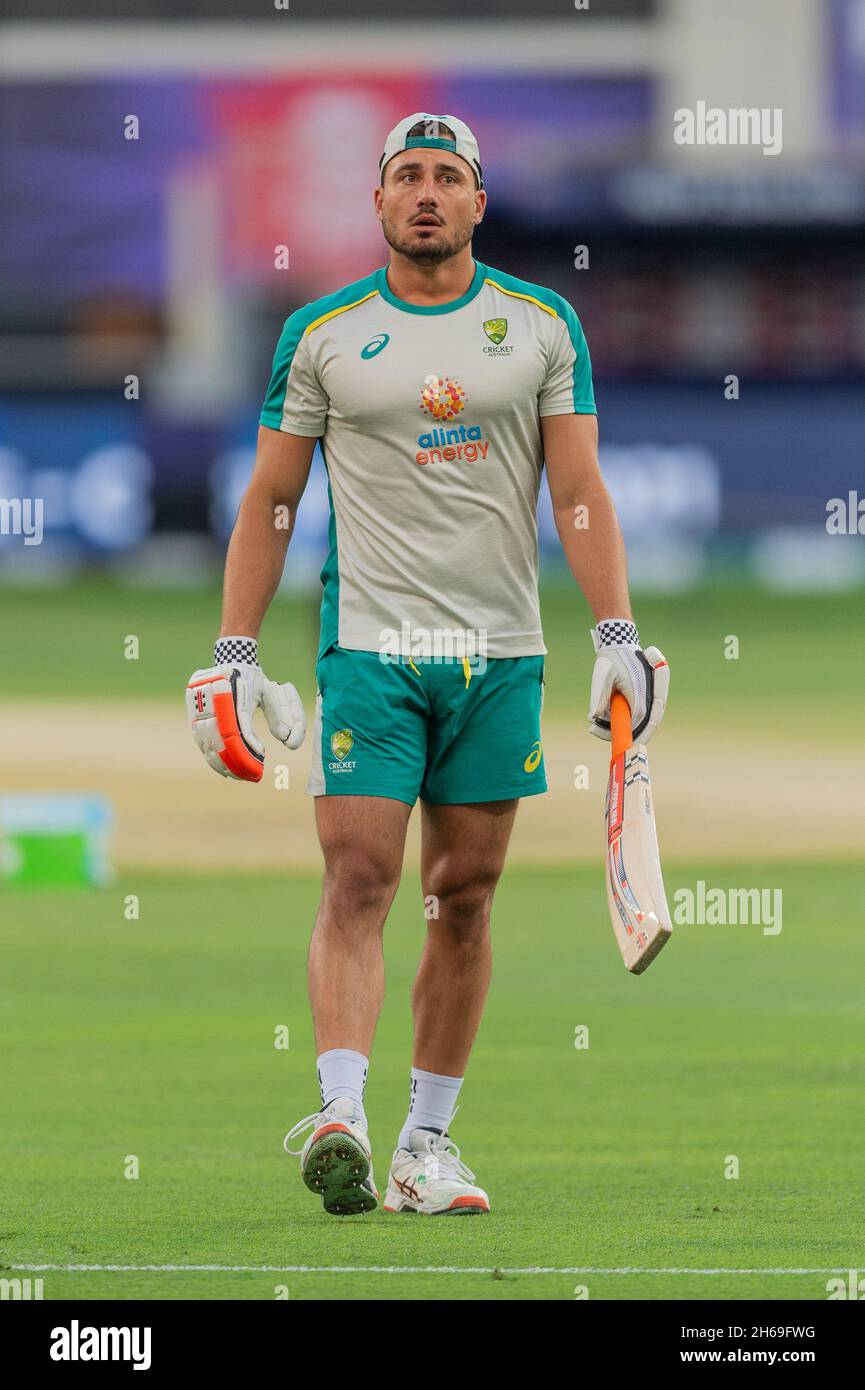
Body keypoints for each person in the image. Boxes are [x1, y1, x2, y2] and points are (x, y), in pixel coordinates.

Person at [186, 114, 669, 1217]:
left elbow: (579, 488)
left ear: (478, 202)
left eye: (448, 177)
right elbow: (270, 499)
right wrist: (232, 649)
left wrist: (613, 632)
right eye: (407, 175)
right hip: (372, 649)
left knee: (467, 897)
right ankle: (344, 1112)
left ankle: (425, 1147)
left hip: (499, 655)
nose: (426, 193)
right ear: (378, 201)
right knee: (359, 873)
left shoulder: (540, 324)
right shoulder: (321, 332)